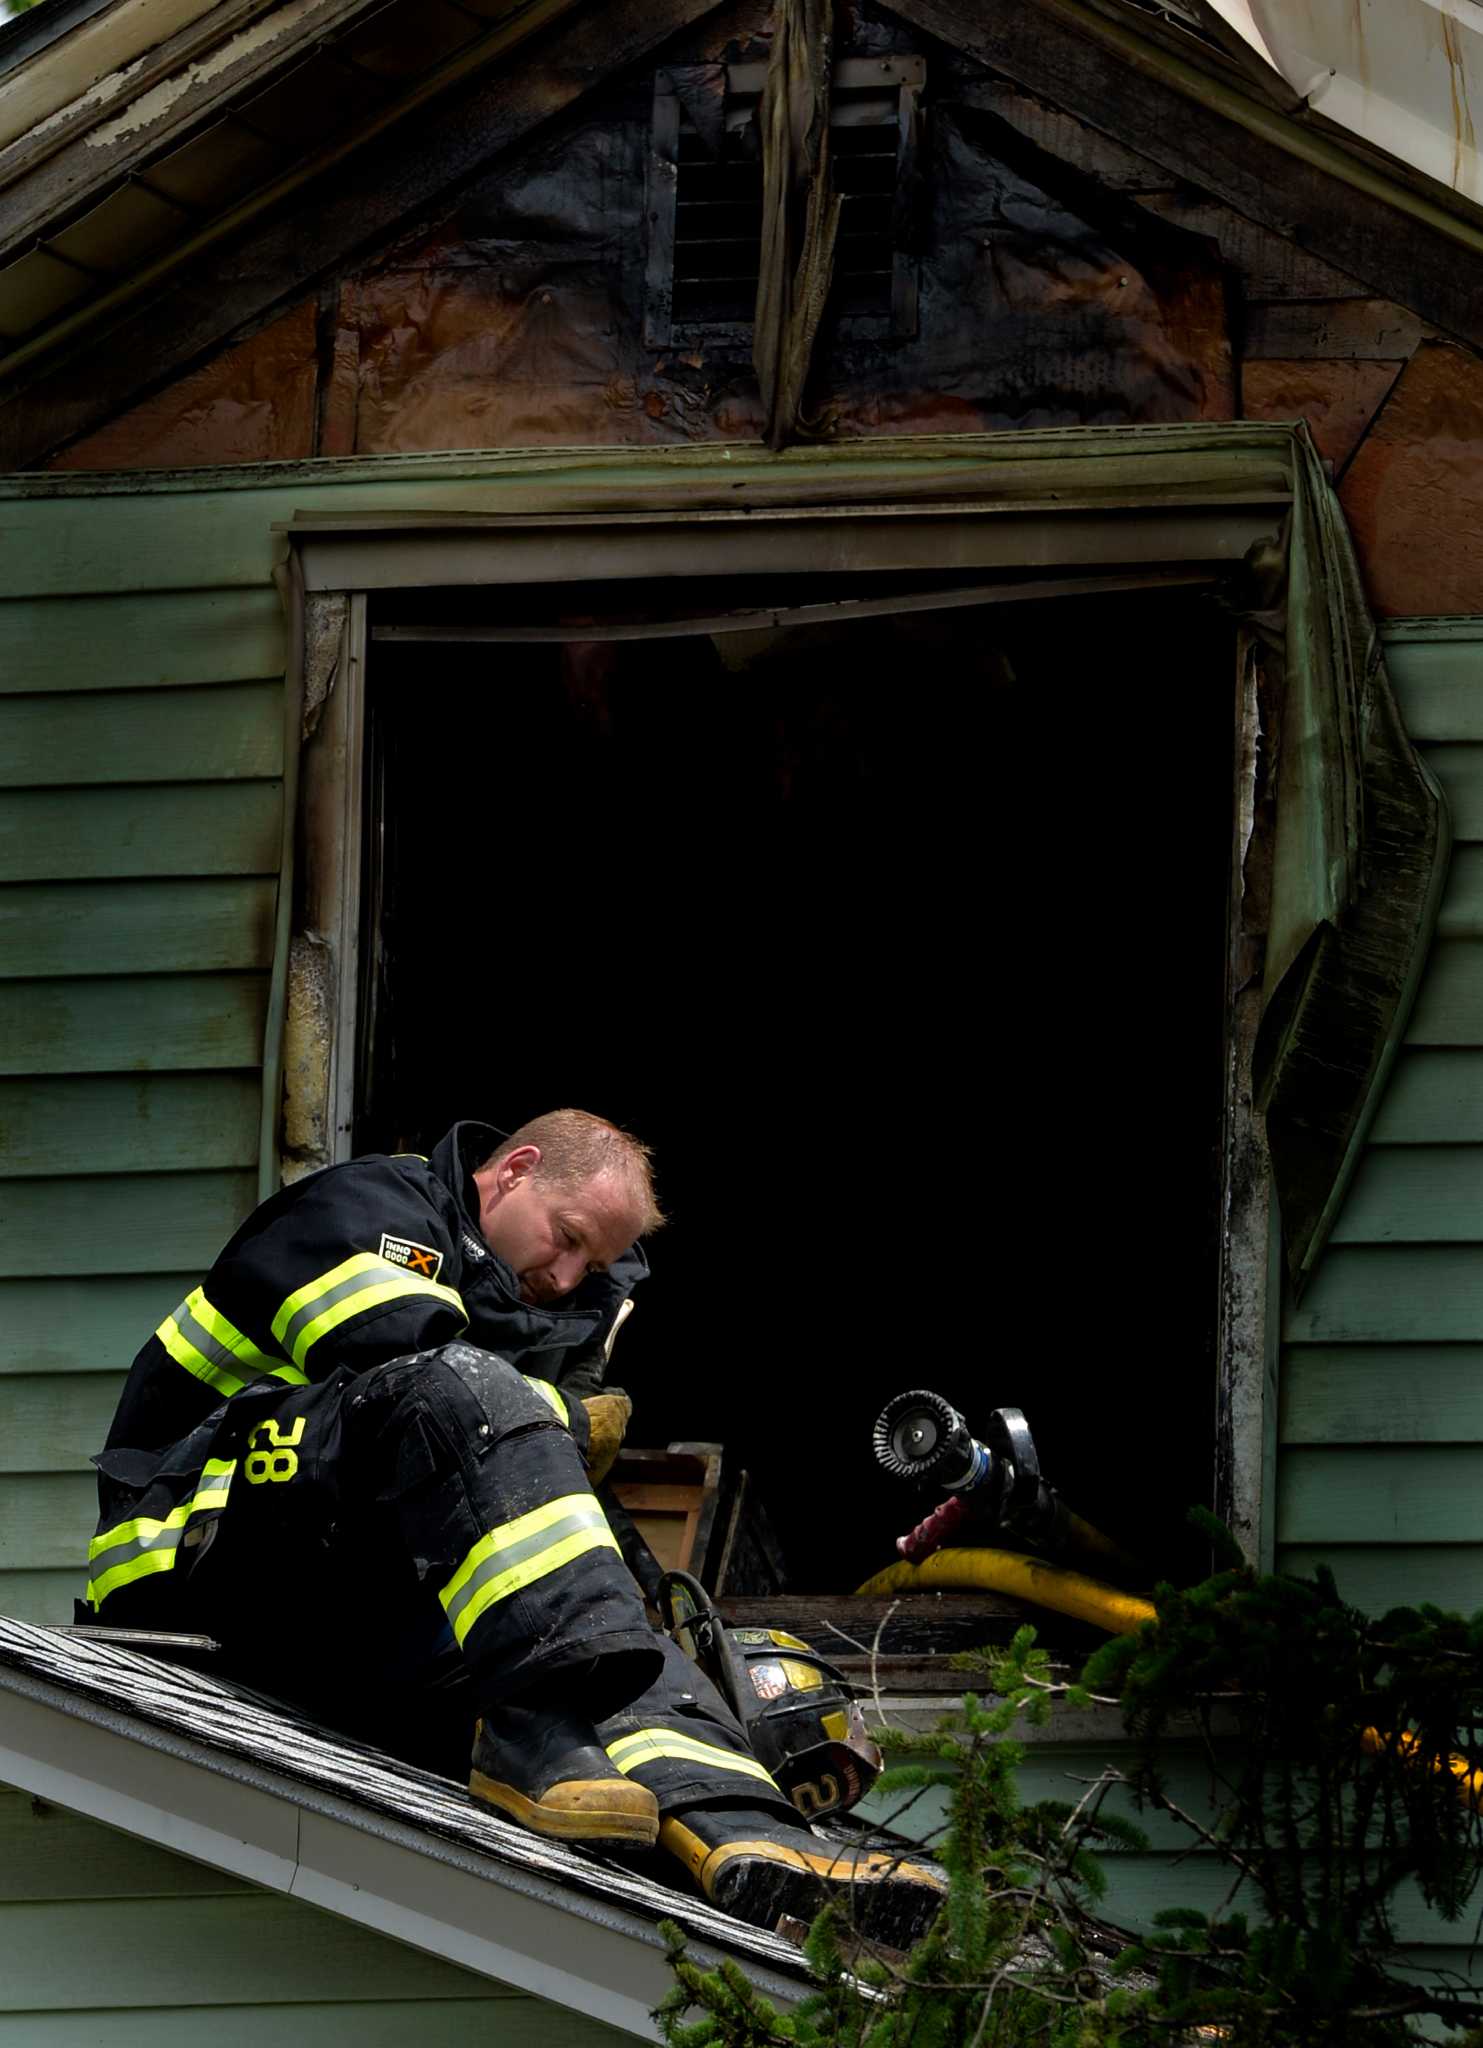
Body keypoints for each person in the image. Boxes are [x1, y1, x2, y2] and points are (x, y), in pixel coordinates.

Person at [84, 1110, 943, 1935]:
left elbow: (517, 1503)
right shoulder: (370, 1207)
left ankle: (750, 1831)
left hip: (353, 1606)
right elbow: (402, 1361)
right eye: (567, 1238)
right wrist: (560, 1420)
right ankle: (530, 1726)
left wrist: (648, 1620)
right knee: (462, 1392)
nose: (568, 1277)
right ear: (515, 1172)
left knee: (605, 1638)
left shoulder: (520, 1334)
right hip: (194, 1559)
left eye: (592, 1263)